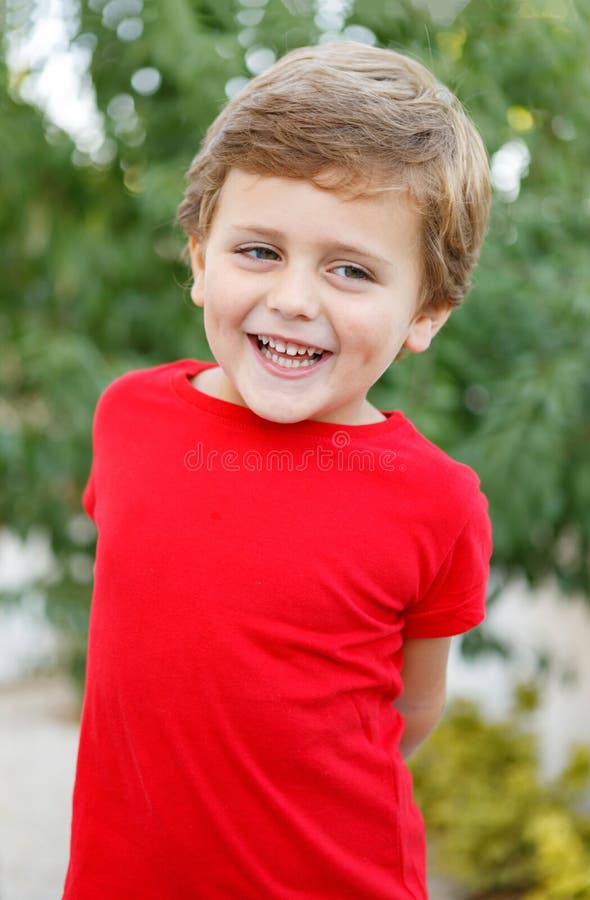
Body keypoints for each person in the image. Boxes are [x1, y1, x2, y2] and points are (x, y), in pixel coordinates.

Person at [63, 42, 492, 899]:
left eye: (351, 270)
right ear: (198, 260)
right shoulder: (129, 418)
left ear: (427, 313)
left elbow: (412, 711)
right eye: (259, 251)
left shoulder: (437, 501)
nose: (295, 298)